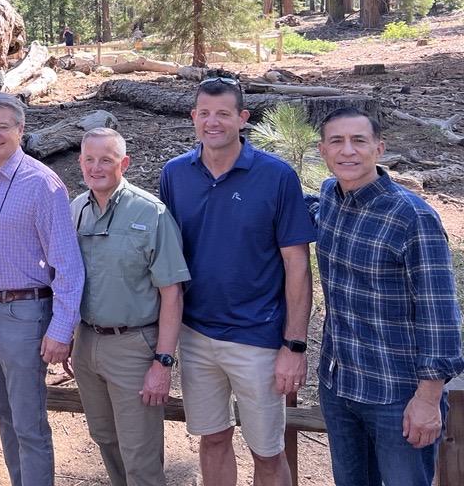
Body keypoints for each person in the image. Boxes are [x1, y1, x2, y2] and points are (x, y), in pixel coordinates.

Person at [158, 77, 315, 486]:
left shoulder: (276, 176)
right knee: (212, 439)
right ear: (193, 117)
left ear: (243, 118)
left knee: (268, 452)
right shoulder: (175, 174)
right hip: (196, 334)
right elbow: (166, 258)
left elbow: (297, 264)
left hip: (257, 335)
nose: (213, 122)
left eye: (224, 114)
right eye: (205, 113)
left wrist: (294, 345)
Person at [314, 107, 464, 486]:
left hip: (397, 395)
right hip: (338, 385)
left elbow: (440, 316)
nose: (348, 150)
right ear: (322, 150)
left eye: (358, 141)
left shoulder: (413, 217)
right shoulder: (330, 197)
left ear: (379, 149)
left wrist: (428, 400)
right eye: (337, 141)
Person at [0, 92, 85, 486]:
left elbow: (68, 265)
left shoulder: (42, 184)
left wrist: (61, 329)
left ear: (20, 129)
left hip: (24, 314)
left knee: (28, 425)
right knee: (3, 414)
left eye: (3, 126)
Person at [67, 128, 189, 486]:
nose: (96, 168)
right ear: (80, 163)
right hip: (87, 341)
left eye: (106, 160)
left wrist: (163, 362)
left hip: (134, 346)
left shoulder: (151, 213)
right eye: (89, 160)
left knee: (140, 453)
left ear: (124, 163)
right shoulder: (76, 210)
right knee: (105, 438)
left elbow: (172, 294)